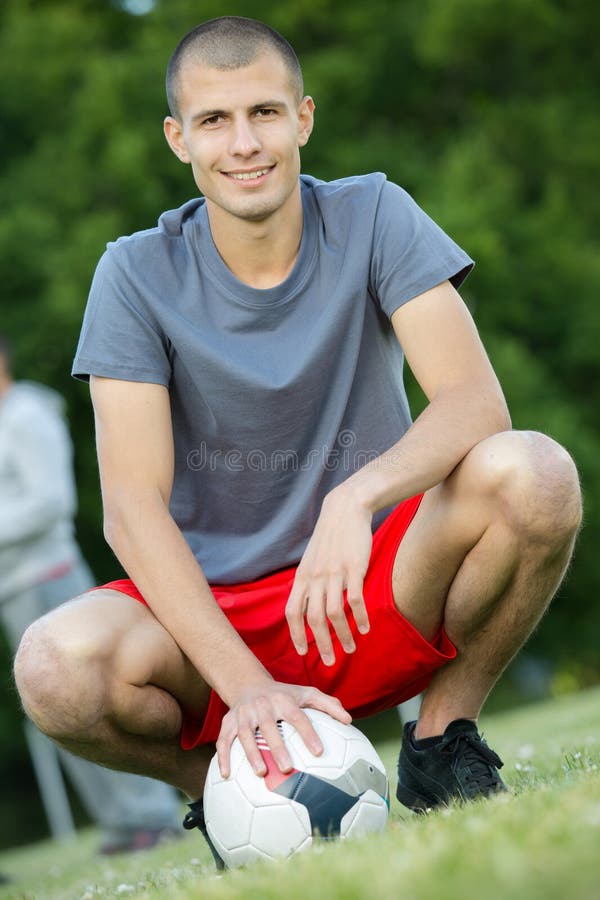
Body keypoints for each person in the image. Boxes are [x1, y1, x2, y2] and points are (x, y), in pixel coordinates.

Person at [13, 16, 581, 868]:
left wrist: (355, 500)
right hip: (215, 621)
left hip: (370, 583)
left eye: (265, 113)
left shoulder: (376, 213)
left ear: (304, 119)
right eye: (214, 121)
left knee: (536, 473)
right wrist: (244, 686)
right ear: (178, 139)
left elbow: (473, 404)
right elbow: (131, 509)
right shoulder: (132, 273)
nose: (244, 144)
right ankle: (239, 787)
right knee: (53, 667)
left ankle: (440, 742)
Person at [0, 335, 182, 854]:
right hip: (13, 585)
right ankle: (125, 823)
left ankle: (149, 816)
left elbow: (49, 502)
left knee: (83, 692)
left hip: (45, 576)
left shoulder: (28, 416)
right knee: (55, 708)